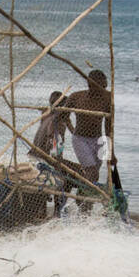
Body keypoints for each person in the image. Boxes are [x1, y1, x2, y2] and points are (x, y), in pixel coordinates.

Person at [61, 69, 114, 211]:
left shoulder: (107, 98)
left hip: (99, 139)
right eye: (100, 87)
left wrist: (111, 152)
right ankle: (85, 205)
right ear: (91, 85)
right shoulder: (76, 97)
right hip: (80, 139)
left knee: (93, 175)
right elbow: (63, 116)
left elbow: (108, 126)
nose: (103, 90)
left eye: (105, 87)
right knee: (91, 172)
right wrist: (71, 129)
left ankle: (84, 199)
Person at [29, 90, 69, 218]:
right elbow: (52, 148)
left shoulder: (46, 115)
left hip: (33, 156)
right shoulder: (58, 123)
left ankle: (43, 210)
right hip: (43, 160)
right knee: (66, 179)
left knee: (63, 171)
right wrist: (58, 163)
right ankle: (57, 211)